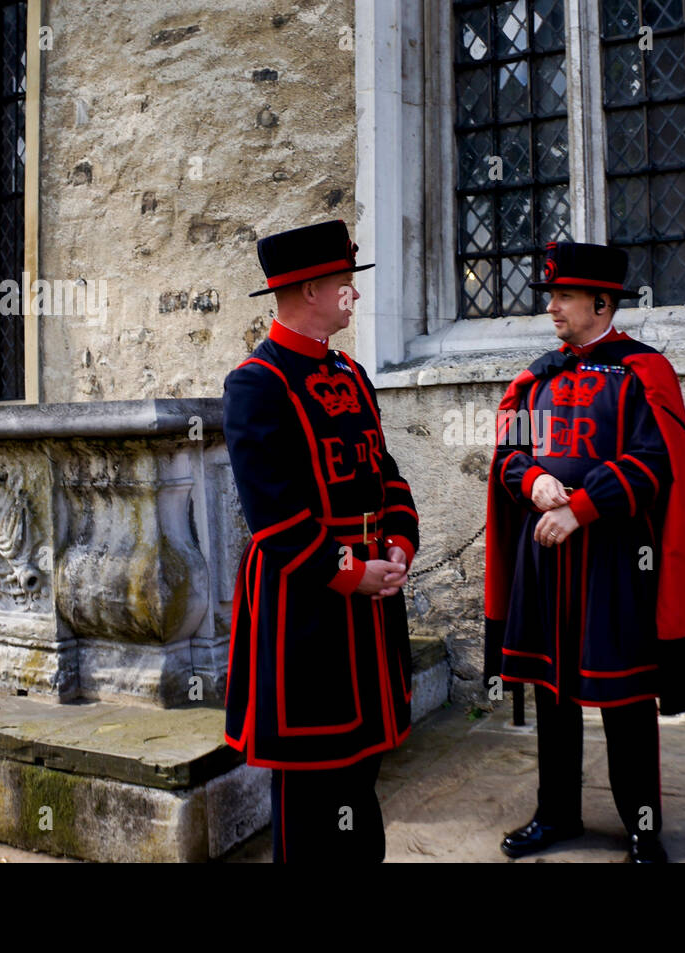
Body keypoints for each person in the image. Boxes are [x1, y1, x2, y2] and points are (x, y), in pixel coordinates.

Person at [484, 240, 685, 863]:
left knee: (624, 698)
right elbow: (510, 455)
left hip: (615, 563)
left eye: (563, 297)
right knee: (550, 692)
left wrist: (580, 508)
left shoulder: (644, 372)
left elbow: (654, 466)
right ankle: (556, 813)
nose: (553, 309)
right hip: (545, 562)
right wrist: (532, 481)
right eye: (553, 297)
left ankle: (642, 827)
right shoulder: (538, 377)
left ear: (601, 301)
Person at [222, 219, 418, 863]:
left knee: (361, 769)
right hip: (305, 606)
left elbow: (383, 471)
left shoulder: (353, 373)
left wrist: (395, 546)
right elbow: (272, 512)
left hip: (369, 600)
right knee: (312, 778)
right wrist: (347, 571)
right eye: (344, 282)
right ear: (310, 288)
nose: (353, 294)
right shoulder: (257, 383)